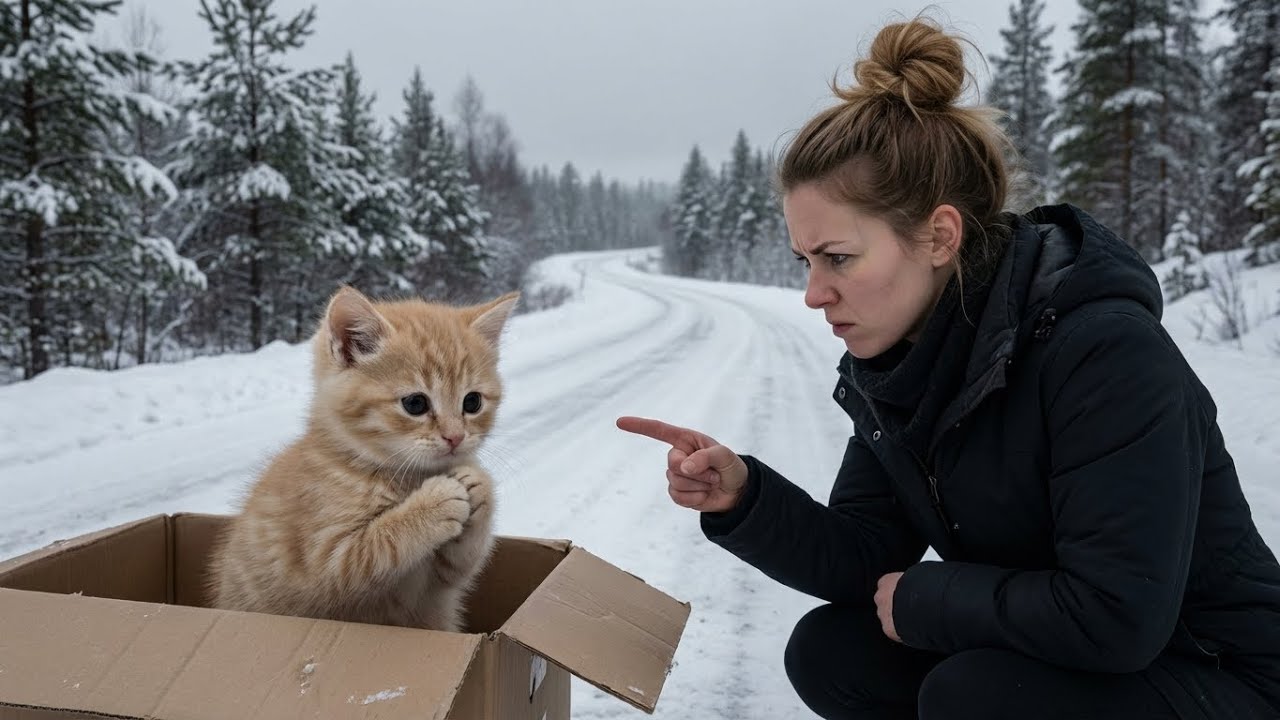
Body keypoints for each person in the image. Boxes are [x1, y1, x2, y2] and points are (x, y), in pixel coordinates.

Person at [616, 17, 1280, 720]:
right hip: (1080, 662)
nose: (813, 293)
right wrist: (745, 498)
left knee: (973, 695)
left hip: (1216, 672)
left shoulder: (1103, 352)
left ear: (939, 236)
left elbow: (1118, 615)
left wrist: (928, 598)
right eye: (805, 261)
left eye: (837, 258)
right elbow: (867, 555)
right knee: (831, 652)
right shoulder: (904, 366)